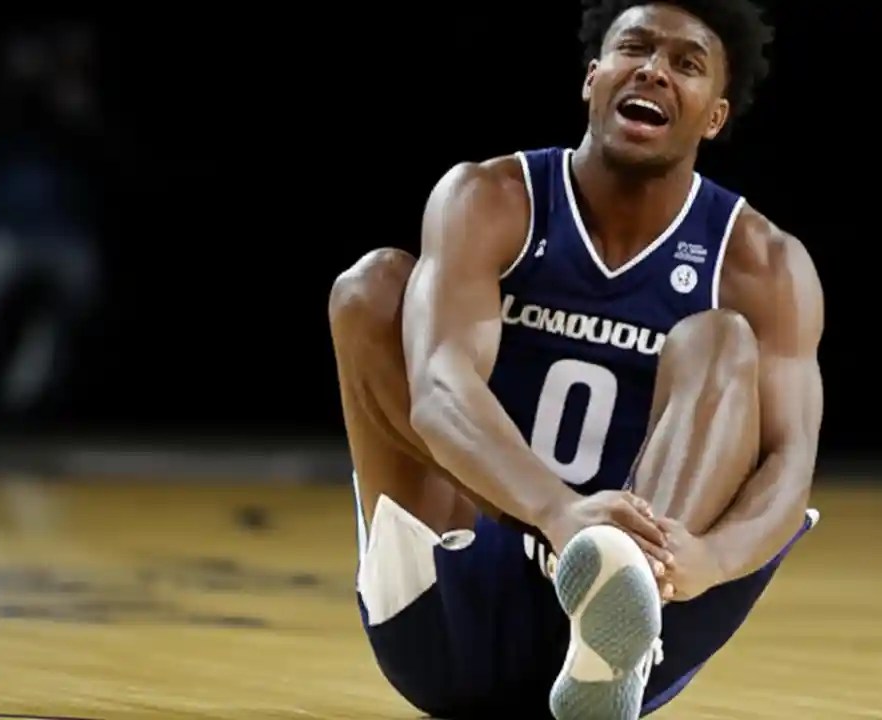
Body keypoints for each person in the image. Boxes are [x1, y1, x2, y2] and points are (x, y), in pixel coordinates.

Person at [328, 0, 824, 717]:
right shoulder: (491, 199)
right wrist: (558, 515)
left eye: (686, 63)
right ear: (593, 78)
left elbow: (790, 466)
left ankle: (621, 609)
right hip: (463, 592)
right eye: (635, 49)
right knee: (371, 291)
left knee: (721, 340)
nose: (653, 70)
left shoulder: (762, 261)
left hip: (654, 600)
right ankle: (596, 574)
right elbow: (439, 390)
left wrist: (709, 560)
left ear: (714, 116)